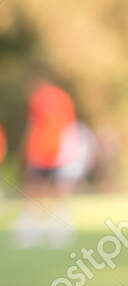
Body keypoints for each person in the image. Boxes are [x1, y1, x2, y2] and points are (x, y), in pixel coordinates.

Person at [16, 75, 76, 247]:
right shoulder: (64, 97)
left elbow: (34, 125)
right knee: (59, 192)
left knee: (33, 191)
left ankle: (29, 231)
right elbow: (69, 127)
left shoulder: (39, 98)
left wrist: (25, 149)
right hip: (59, 151)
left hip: (41, 151)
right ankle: (61, 230)